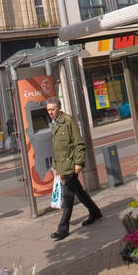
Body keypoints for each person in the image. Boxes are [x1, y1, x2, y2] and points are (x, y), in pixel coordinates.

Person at [47, 97, 101, 240]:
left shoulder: (68, 121)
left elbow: (79, 144)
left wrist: (78, 163)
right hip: (62, 167)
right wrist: (54, 166)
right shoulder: (53, 125)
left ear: (59, 108)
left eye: (52, 109)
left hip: (71, 165)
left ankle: (63, 229)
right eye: (48, 110)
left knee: (68, 197)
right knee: (79, 191)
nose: (50, 112)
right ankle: (95, 212)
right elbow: (56, 149)